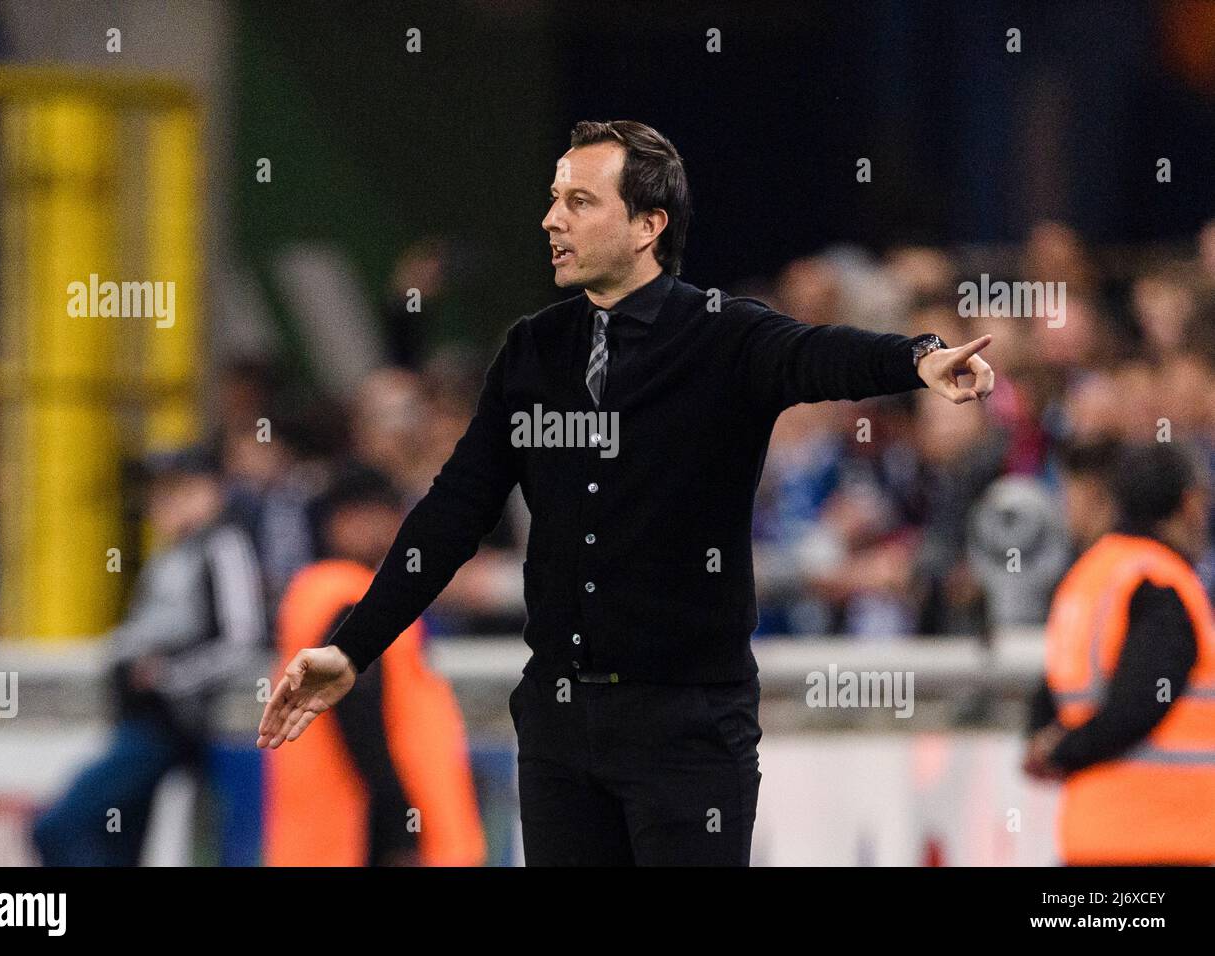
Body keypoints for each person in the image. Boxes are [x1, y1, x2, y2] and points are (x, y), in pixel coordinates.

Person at [258, 119, 994, 866]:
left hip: (688, 729)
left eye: (579, 201)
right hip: (558, 728)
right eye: (553, 199)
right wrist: (354, 649)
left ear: (648, 225)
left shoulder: (721, 338)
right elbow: (453, 511)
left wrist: (920, 357)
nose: (551, 219)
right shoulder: (532, 351)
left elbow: (817, 354)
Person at [33, 448, 267, 866]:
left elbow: (242, 639)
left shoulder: (223, 546)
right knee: (118, 843)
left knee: (59, 825)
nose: (163, 503)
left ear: (211, 491)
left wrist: (170, 676)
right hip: (142, 717)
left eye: (178, 490)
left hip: (173, 724)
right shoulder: (173, 553)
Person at [264, 465, 485, 866]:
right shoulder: (351, 597)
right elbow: (361, 719)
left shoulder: (313, 593)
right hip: (361, 830)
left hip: (327, 830)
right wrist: (399, 822)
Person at [1023, 442, 1215, 865]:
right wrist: (1063, 751)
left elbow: (1048, 695)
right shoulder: (1163, 584)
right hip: (1166, 838)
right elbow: (1142, 703)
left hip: (1090, 837)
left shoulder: (1087, 579)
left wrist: (1050, 748)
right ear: (1190, 504)